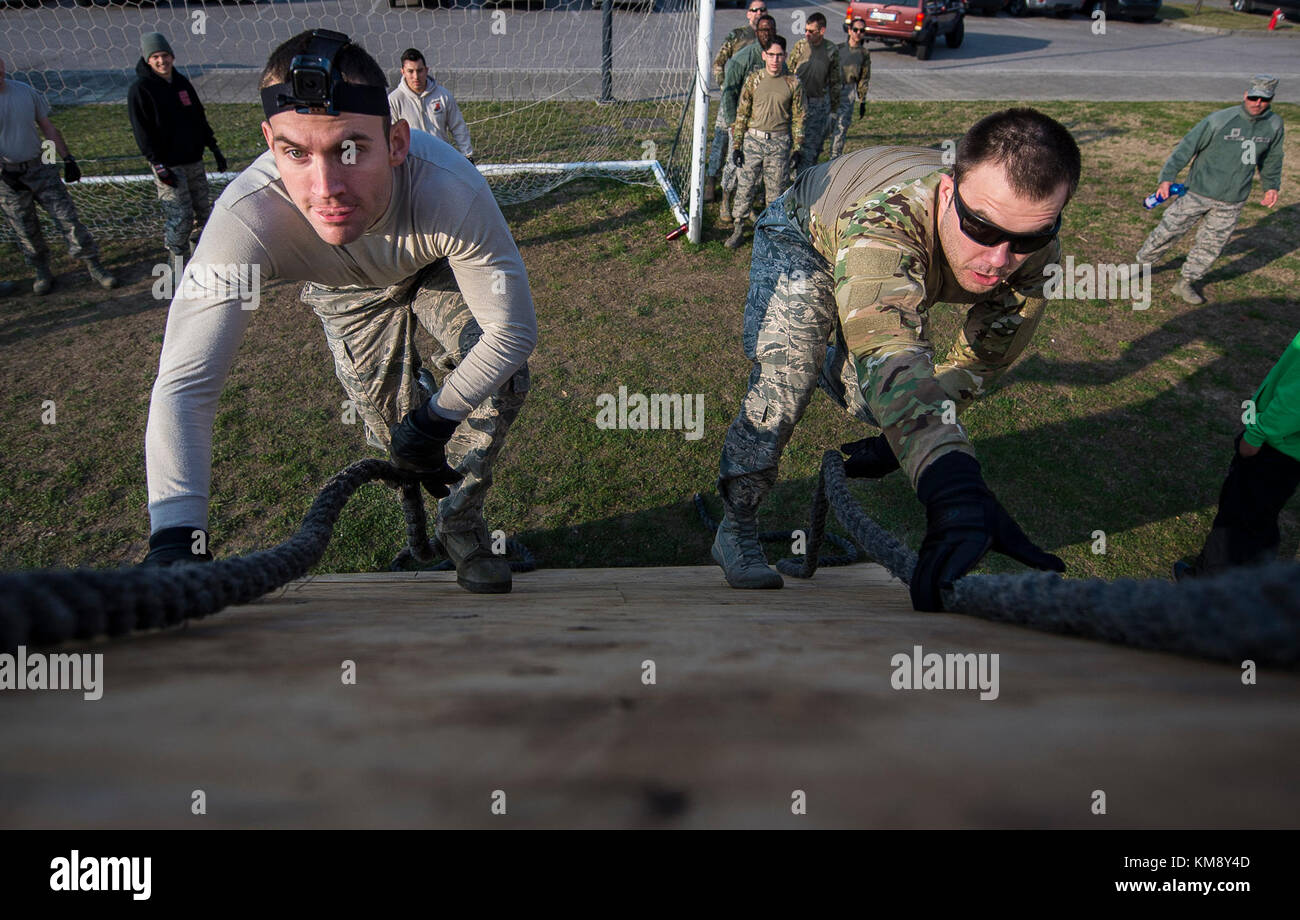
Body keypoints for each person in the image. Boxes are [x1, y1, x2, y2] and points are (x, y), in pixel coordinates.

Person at [142, 30, 536, 595]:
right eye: (295, 153)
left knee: (499, 380)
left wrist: (439, 418)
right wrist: (176, 541)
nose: (325, 187)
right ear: (269, 142)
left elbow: (513, 332)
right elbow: (185, 382)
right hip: (345, 292)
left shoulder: (451, 191)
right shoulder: (248, 219)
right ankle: (418, 536)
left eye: (351, 150)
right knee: (389, 428)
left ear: (397, 141)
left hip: (432, 266)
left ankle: (463, 527)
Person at [712, 108, 1080, 612]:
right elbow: (889, 347)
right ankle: (736, 525)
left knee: (884, 406)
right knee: (788, 376)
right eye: (981, 229)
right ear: (949, 196)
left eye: (1028, 239)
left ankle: (844, 343)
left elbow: (984, 358)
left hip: (887, 269)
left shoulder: (1039, 250)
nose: (1000, 260)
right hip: (808, 236)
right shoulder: (885, 221)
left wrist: (918, 446)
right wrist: (949, 483)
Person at [1130, 75, 1284, 305]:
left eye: (1264, 99)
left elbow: (1272, 158)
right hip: (1196, 192)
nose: (1257, 103)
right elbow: (1186, 147)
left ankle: (1186, 282)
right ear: (1245, 95)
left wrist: (1271, 186)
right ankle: (1138, 267)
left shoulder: (1274, 125)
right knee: (1167, 231)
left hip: (1232, 200)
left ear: (1270, 100)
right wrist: (1167, 178)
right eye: (1253, 97)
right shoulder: (1220, 120)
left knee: (1211, 245)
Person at [1175, 330, 1300, 579]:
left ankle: (1206, 589)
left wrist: (1254, 436)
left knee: (1236, 519)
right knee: (1261, 516)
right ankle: (1255, 576)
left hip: (1274, 445)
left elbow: (1293, 403)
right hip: (1291, 450)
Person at [0, 56, 117, 295]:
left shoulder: (24, 92)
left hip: (39, 166)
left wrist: (67, 158)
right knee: (25, 227)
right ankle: (41, 271)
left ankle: (94, 265)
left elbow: (47, 126)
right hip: (7, 177)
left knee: (68, 218)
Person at [128, 32, 227, 260]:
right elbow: (142, 132)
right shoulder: (141, 90)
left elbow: (198, 117)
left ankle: (204, 256)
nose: (162, 61)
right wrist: (158, 164)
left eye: (165, 55)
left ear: (172, 56)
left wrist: (214, 148)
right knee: (180, 217)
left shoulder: (182, 83)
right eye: (155, 57)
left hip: (193, 160)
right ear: (147, 60)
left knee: (205, 211)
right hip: (169, 167)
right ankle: (177, 262)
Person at [725, 36, 804, 249]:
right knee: (745, 186)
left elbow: (798, 117)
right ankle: (739, 228)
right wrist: (737, 146)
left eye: (779, 55)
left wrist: (797, 147)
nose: (775, 60)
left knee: (775, 192)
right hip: (753, 141)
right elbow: (742, 113)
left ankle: (771, 232)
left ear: (785, 56)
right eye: (771, 55)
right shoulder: (753, 80)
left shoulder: (793, 83)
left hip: (779, 144)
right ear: (764, 55)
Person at [716, 13, 778, 225]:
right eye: (763, 30)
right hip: (742, 123)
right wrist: (733, 123)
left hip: (763, 124)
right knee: (734, 164)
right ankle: (725, 200)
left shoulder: (776, 59)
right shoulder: (742, 58)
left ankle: (747, 206)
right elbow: (729, 93)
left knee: (755, 170)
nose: (766, 34)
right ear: (756, 32)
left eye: (770, 30)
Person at [706, 2, 766, 202]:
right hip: (732, 100)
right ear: (748, 13)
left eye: (762, 10)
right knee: (721, 140)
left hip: (754, 105)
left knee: (744, 145)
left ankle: (741, 188)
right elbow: (718, 63)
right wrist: (726, 89)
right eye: (755, 9)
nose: (758, 13)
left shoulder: (768, 38)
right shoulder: (738, 35)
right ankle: (710, 181)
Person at [388, 48, 474, 162]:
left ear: (426, 70)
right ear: (403, 72)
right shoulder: (394, 100)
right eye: (410, 71)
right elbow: (391, 136)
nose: (416, 76)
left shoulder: (443, 96)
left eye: (419, 70)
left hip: (441, 160)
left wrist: (467, 155)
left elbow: (458, 126)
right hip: (412, 164)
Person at [786, 12, 839, 172]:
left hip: (817, 104)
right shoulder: (800, 46)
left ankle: (804, 179)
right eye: (806, 30)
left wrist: (834, 110)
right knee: (791, 141)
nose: (807, 34)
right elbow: (788, 72)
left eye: (811, 31)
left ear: (822, 31)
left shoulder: (831, 50)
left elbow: (835, 81)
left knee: (811, 147)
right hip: (797, 103)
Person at [829, 17, 870, 160]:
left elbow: (864, 77)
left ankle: (834, 159)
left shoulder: (864, 54)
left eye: (862, 30)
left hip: (849, 91)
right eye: (855, 30)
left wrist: (862, 100)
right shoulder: (838, 49)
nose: (858, 33)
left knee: (841, 127)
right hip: (832, 90)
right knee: (826, 125)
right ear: (849, 30)